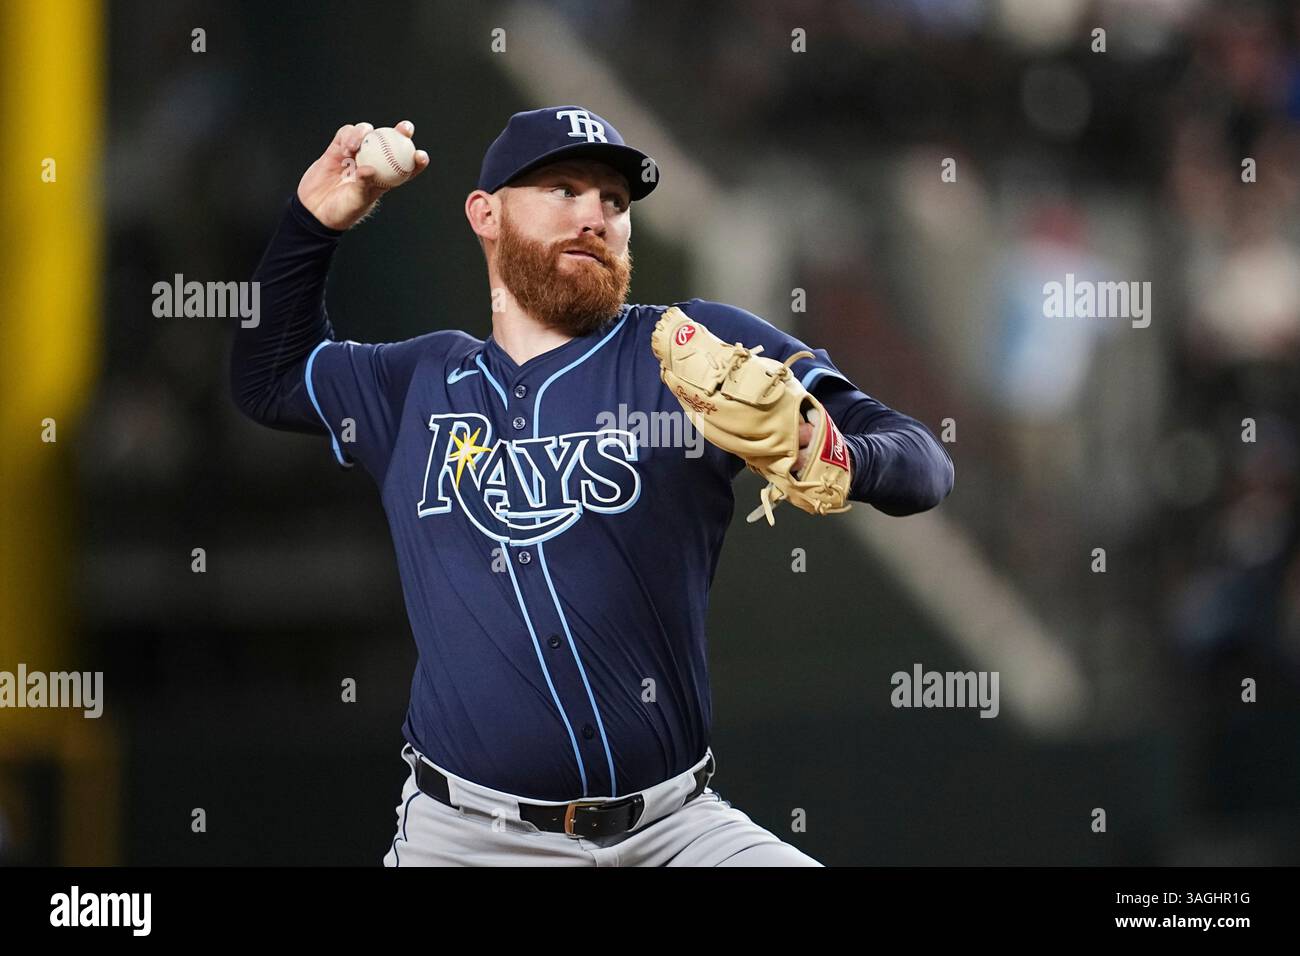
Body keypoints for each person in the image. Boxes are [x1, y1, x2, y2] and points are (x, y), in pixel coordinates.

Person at [231, 106, 954, 866]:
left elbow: (924, 464)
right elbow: (267, 378)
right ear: (486, 213)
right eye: (565, 189)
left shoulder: (685, 349)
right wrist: (315, 222)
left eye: (614, 200)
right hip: (468, 842)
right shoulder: (416, 382)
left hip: (676, 832)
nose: (595, 217)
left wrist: (831, 450)